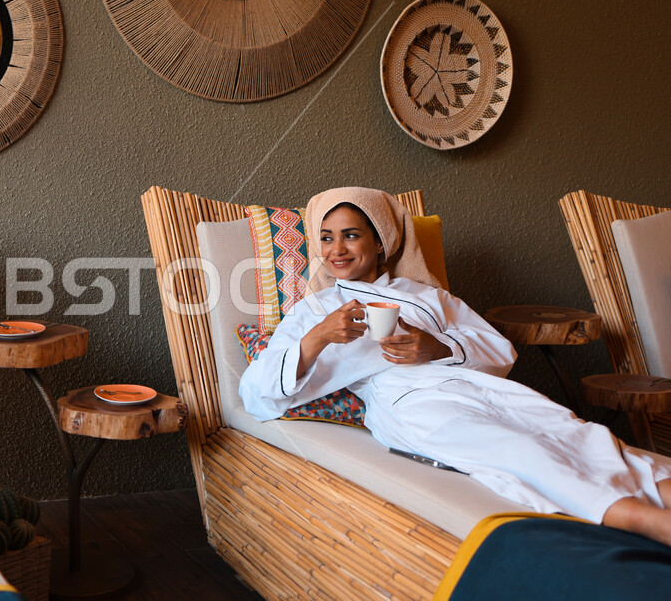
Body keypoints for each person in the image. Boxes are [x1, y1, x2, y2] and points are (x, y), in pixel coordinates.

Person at [239, 186, 671, 546]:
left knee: (574, 431)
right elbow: (255, 393)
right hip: (407, 403)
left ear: (379, 241)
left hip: (471, 384)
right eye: (327, 237)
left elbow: (499, 349)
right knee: (515, 449)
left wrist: (437, 346)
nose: (337, 249)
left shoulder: (427, 295)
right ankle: (640, 520)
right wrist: (319, 337)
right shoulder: (314, 310)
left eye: (350, 235)